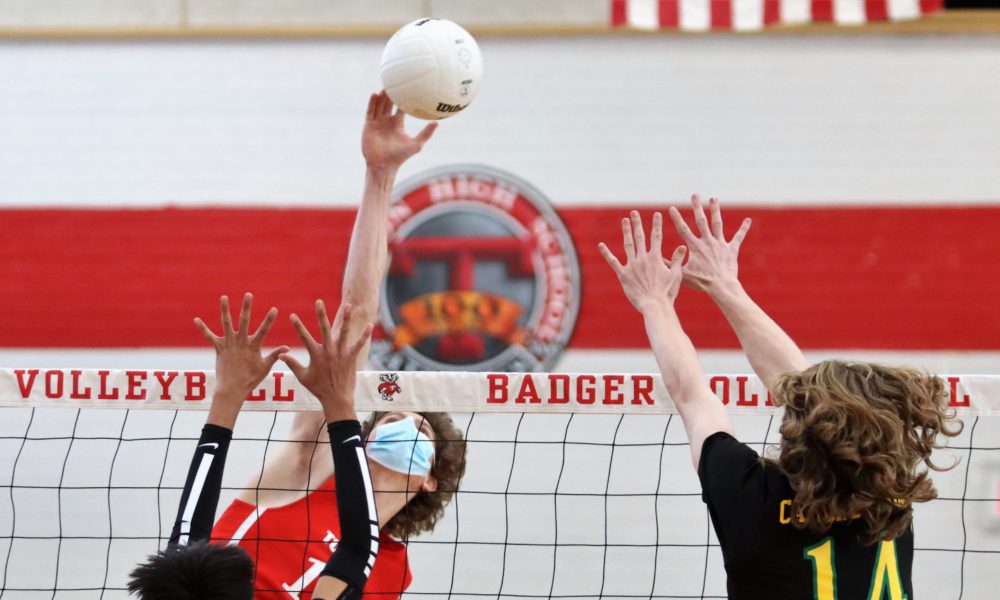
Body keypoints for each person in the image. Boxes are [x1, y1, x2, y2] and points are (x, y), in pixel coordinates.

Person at [599, 197, 962, 600]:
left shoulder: (750, 497)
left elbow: (691, 394)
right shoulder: (889, 499)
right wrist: (726, 287)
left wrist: (655, 303)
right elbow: (812, 395)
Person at [210, 91, 468, 599]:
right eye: (391, 418)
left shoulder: (394, 573)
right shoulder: (309, 469)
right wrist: (379, 178)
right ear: (363, 439)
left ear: (429, 480)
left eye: (416, 426)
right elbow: (356, 322)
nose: (401, 425)